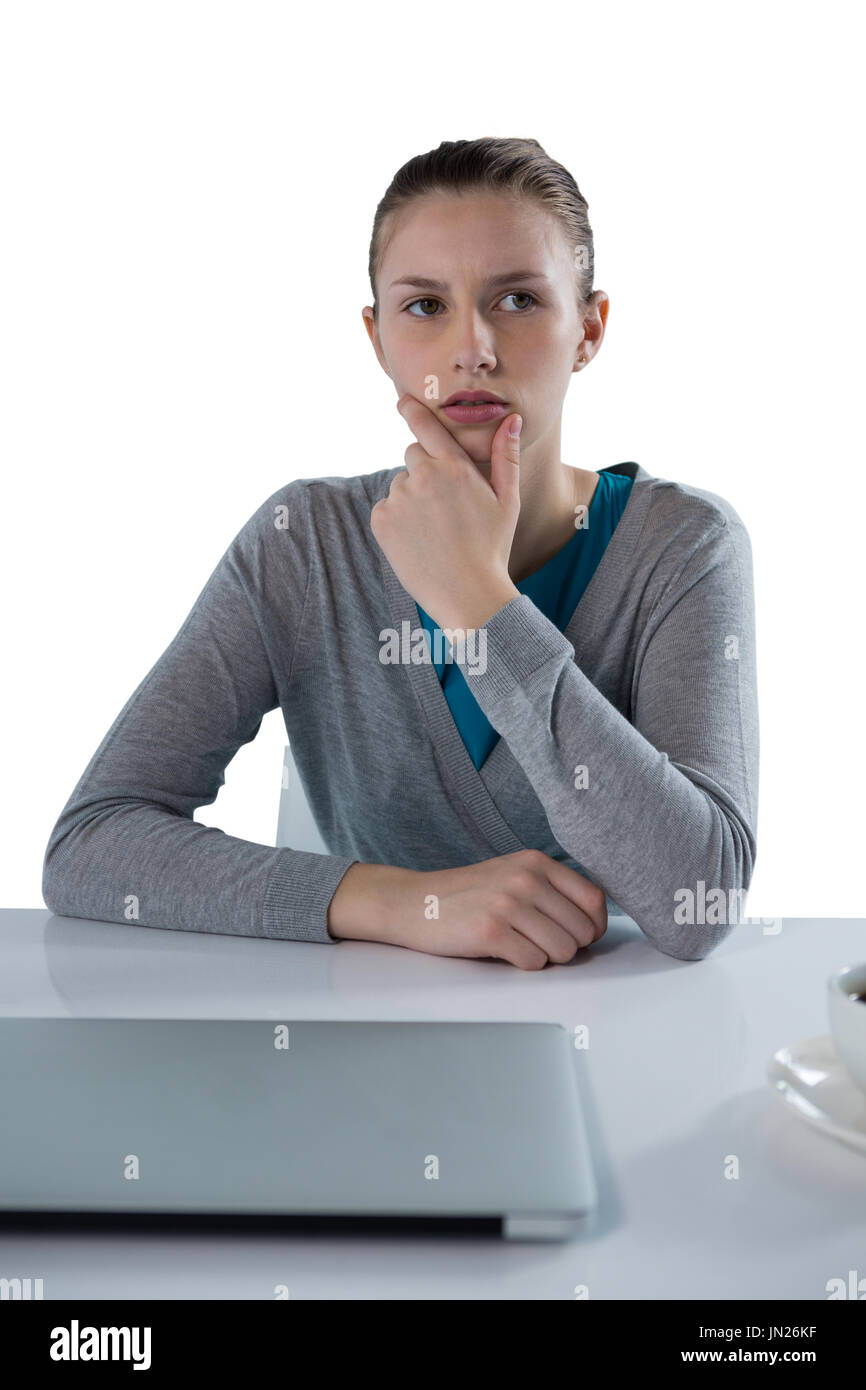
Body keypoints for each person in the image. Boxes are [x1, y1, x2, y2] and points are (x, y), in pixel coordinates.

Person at [42, 136, 759, 969]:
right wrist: (396, 902)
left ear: (589, 330)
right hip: (361, 1044)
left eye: (519, 300)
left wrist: (476, 599)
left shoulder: (683, 546)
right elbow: (91, 843)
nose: (473, 349)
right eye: (425, 307)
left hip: (628, 1050)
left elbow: (695, 900)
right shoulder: (304, 544)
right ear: (377, 336)